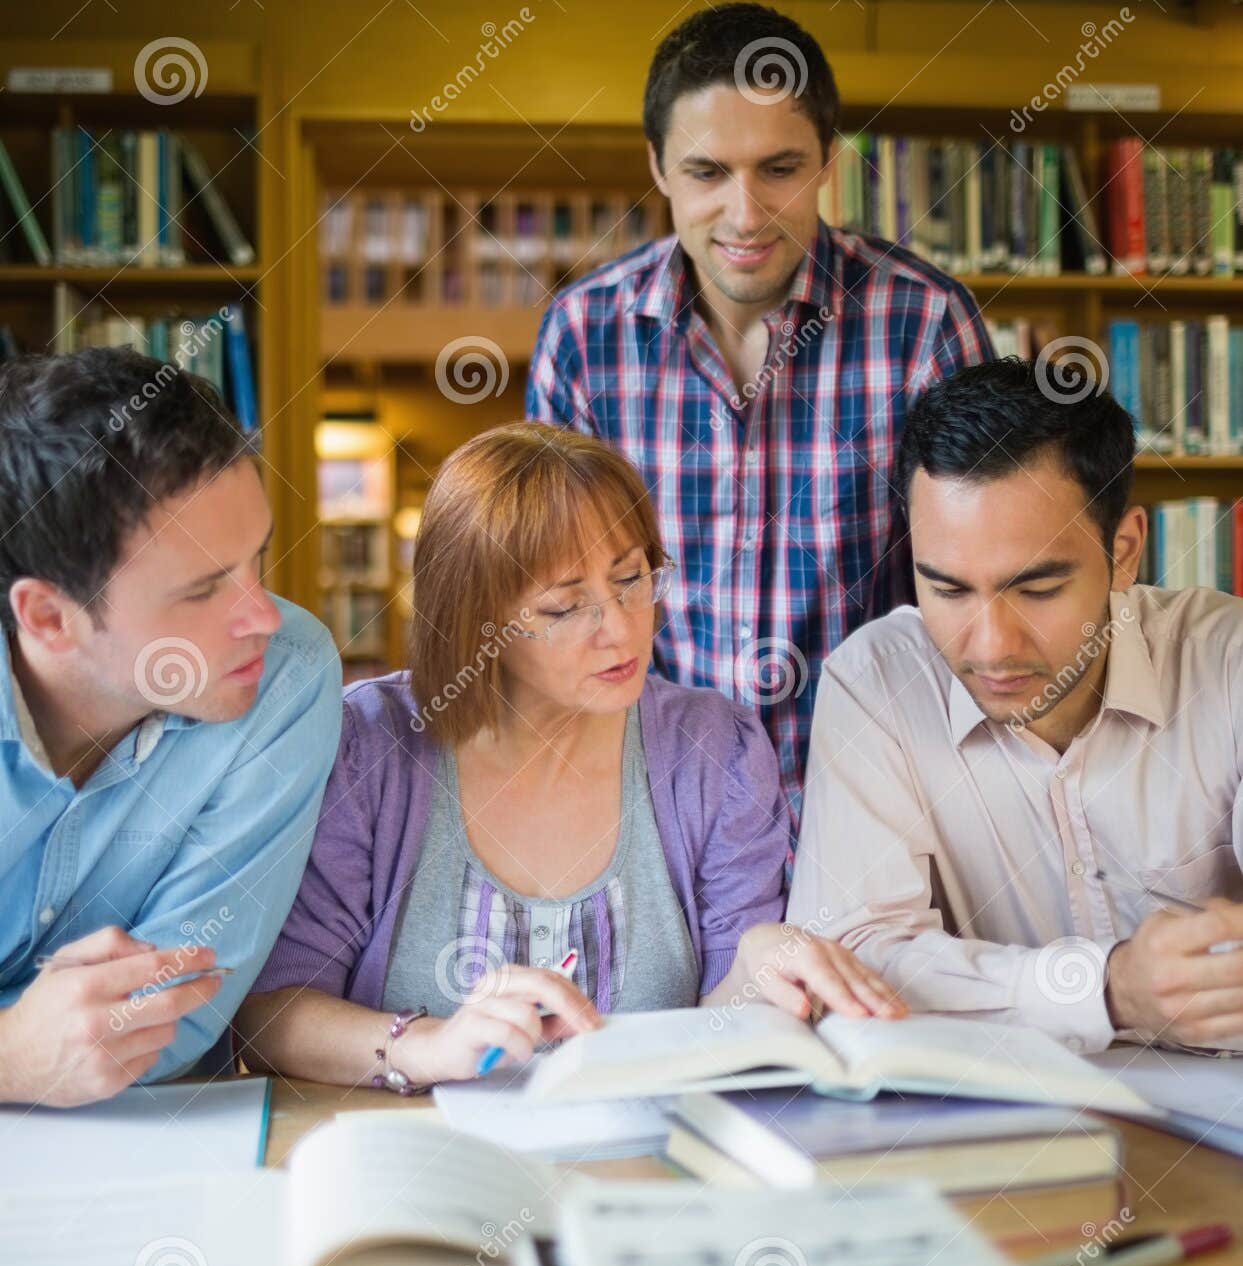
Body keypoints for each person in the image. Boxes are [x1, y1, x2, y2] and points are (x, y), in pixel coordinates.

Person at [236, 423, 903, 1089]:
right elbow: (271, 1017)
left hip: (639, 1168)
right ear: (476, 619)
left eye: (631, 579)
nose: (619, 628)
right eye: (564, 607)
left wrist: (754, 964)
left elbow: (722, 1036)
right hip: (420, 1158)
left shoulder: (716, 751)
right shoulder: (369, 746)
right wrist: (431, 1047)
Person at [526, 2, 992, 813]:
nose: (745, 215)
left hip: (885, 804)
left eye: (778, 169)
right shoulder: (581, 336)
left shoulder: (925, 324)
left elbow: (979, 580)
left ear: (824, 165)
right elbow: (552, 601)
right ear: (659, 167)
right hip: (652, 807)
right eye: (707, 172)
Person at [789, 355, 1243, 1054]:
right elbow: (853, 957)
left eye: (1035, 590)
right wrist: (1106, 990)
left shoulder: (1226, 661)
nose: (992, 645)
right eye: (947, 591)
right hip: (1000, 1135)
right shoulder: (875, 681)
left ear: (1123, 553)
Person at [0, 347, 341, 1106]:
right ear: (50, 618)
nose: (263, 616)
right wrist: (12, 1057)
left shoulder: (285, 674)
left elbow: (174, 1015)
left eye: (257, 558)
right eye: (202, 590)